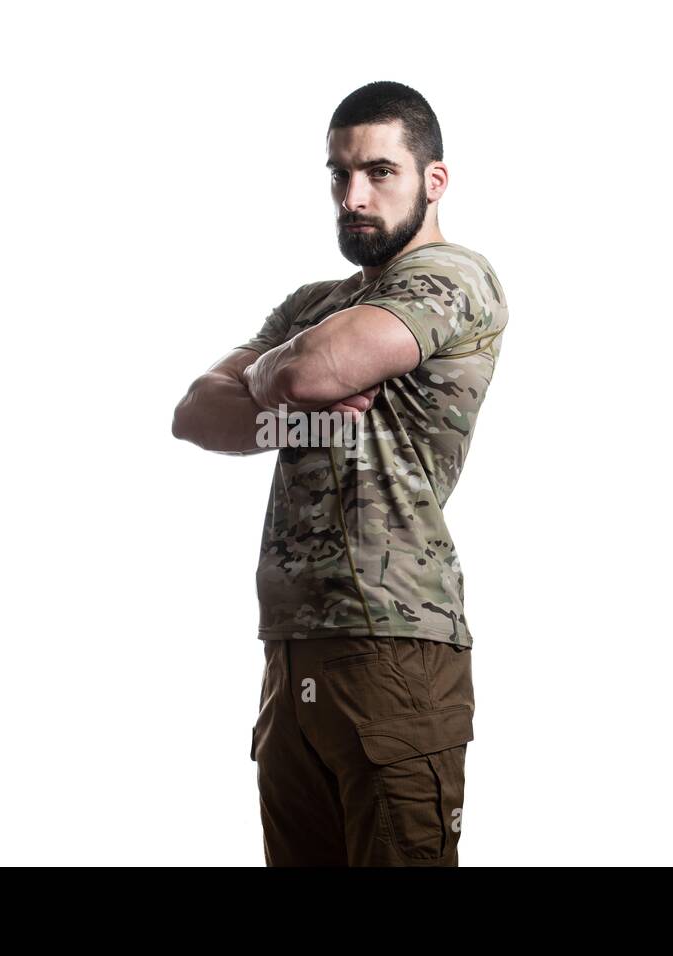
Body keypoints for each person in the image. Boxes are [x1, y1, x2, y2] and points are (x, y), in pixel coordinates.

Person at [171, 80, 509, 866]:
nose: (353, 196)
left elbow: (320, 362)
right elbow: (194, 412)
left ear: (434, 181)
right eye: (339, 175)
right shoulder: (315, 299)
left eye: (379, 172)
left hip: (393, 644)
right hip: (291, 646)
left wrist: (279, 374)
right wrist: (286, 392)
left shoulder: (458, 279)